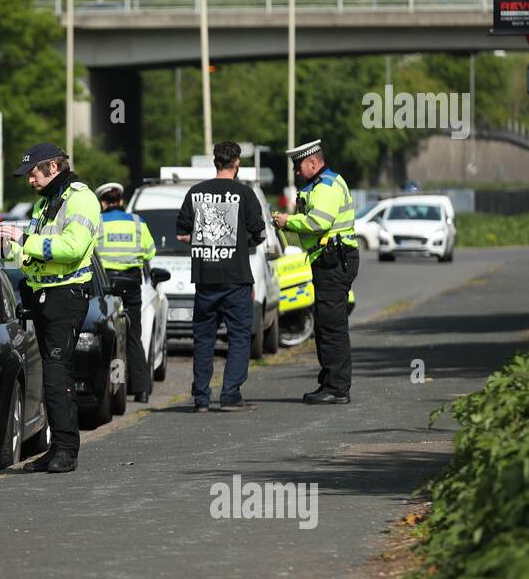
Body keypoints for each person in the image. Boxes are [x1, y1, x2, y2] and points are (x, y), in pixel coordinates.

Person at [0, 142, 101, 473]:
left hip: (66, 296)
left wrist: (23, 238)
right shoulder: (47, 202)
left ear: (53, 168)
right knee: (52, 373)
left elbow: (72, 247)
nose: (29, 180)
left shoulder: (81, 198)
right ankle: (56, 449)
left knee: (56, 371)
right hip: (44, 296)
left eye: (33, 173)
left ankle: (67, 450)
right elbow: (34, 254)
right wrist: (9, 247)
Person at [175, 140, 267, 412]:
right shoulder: (245, 194)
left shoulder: (195, 193)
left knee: (204, 339)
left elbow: (182, 233)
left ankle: (201, 399)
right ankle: (230, 395)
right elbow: (260, 234)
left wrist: (203, 242)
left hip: (205, 278)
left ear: (215, 162)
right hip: (236, 278)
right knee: (239, 337)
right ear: (236, 164)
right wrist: (240, 243)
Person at [273, 139, 359, 405]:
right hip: (329, 261)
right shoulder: (320, 185)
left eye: (299, 166)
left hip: (334, 262)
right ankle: (330, 382)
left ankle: (337, 388)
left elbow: (318, 222)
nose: (297, 172)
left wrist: (288, 221)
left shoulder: (327, 186)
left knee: (332, 326)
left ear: (313, 162)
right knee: (326, 324)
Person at [94, 181, 156, 402]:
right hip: (131, 286)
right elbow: (150, 253)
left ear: (103, 202)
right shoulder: (138, 223)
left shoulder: (97, 223)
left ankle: (115, 386)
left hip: (106, 287)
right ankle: (141, 390)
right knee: (132, 336)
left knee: (111, 337)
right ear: (121, 201)